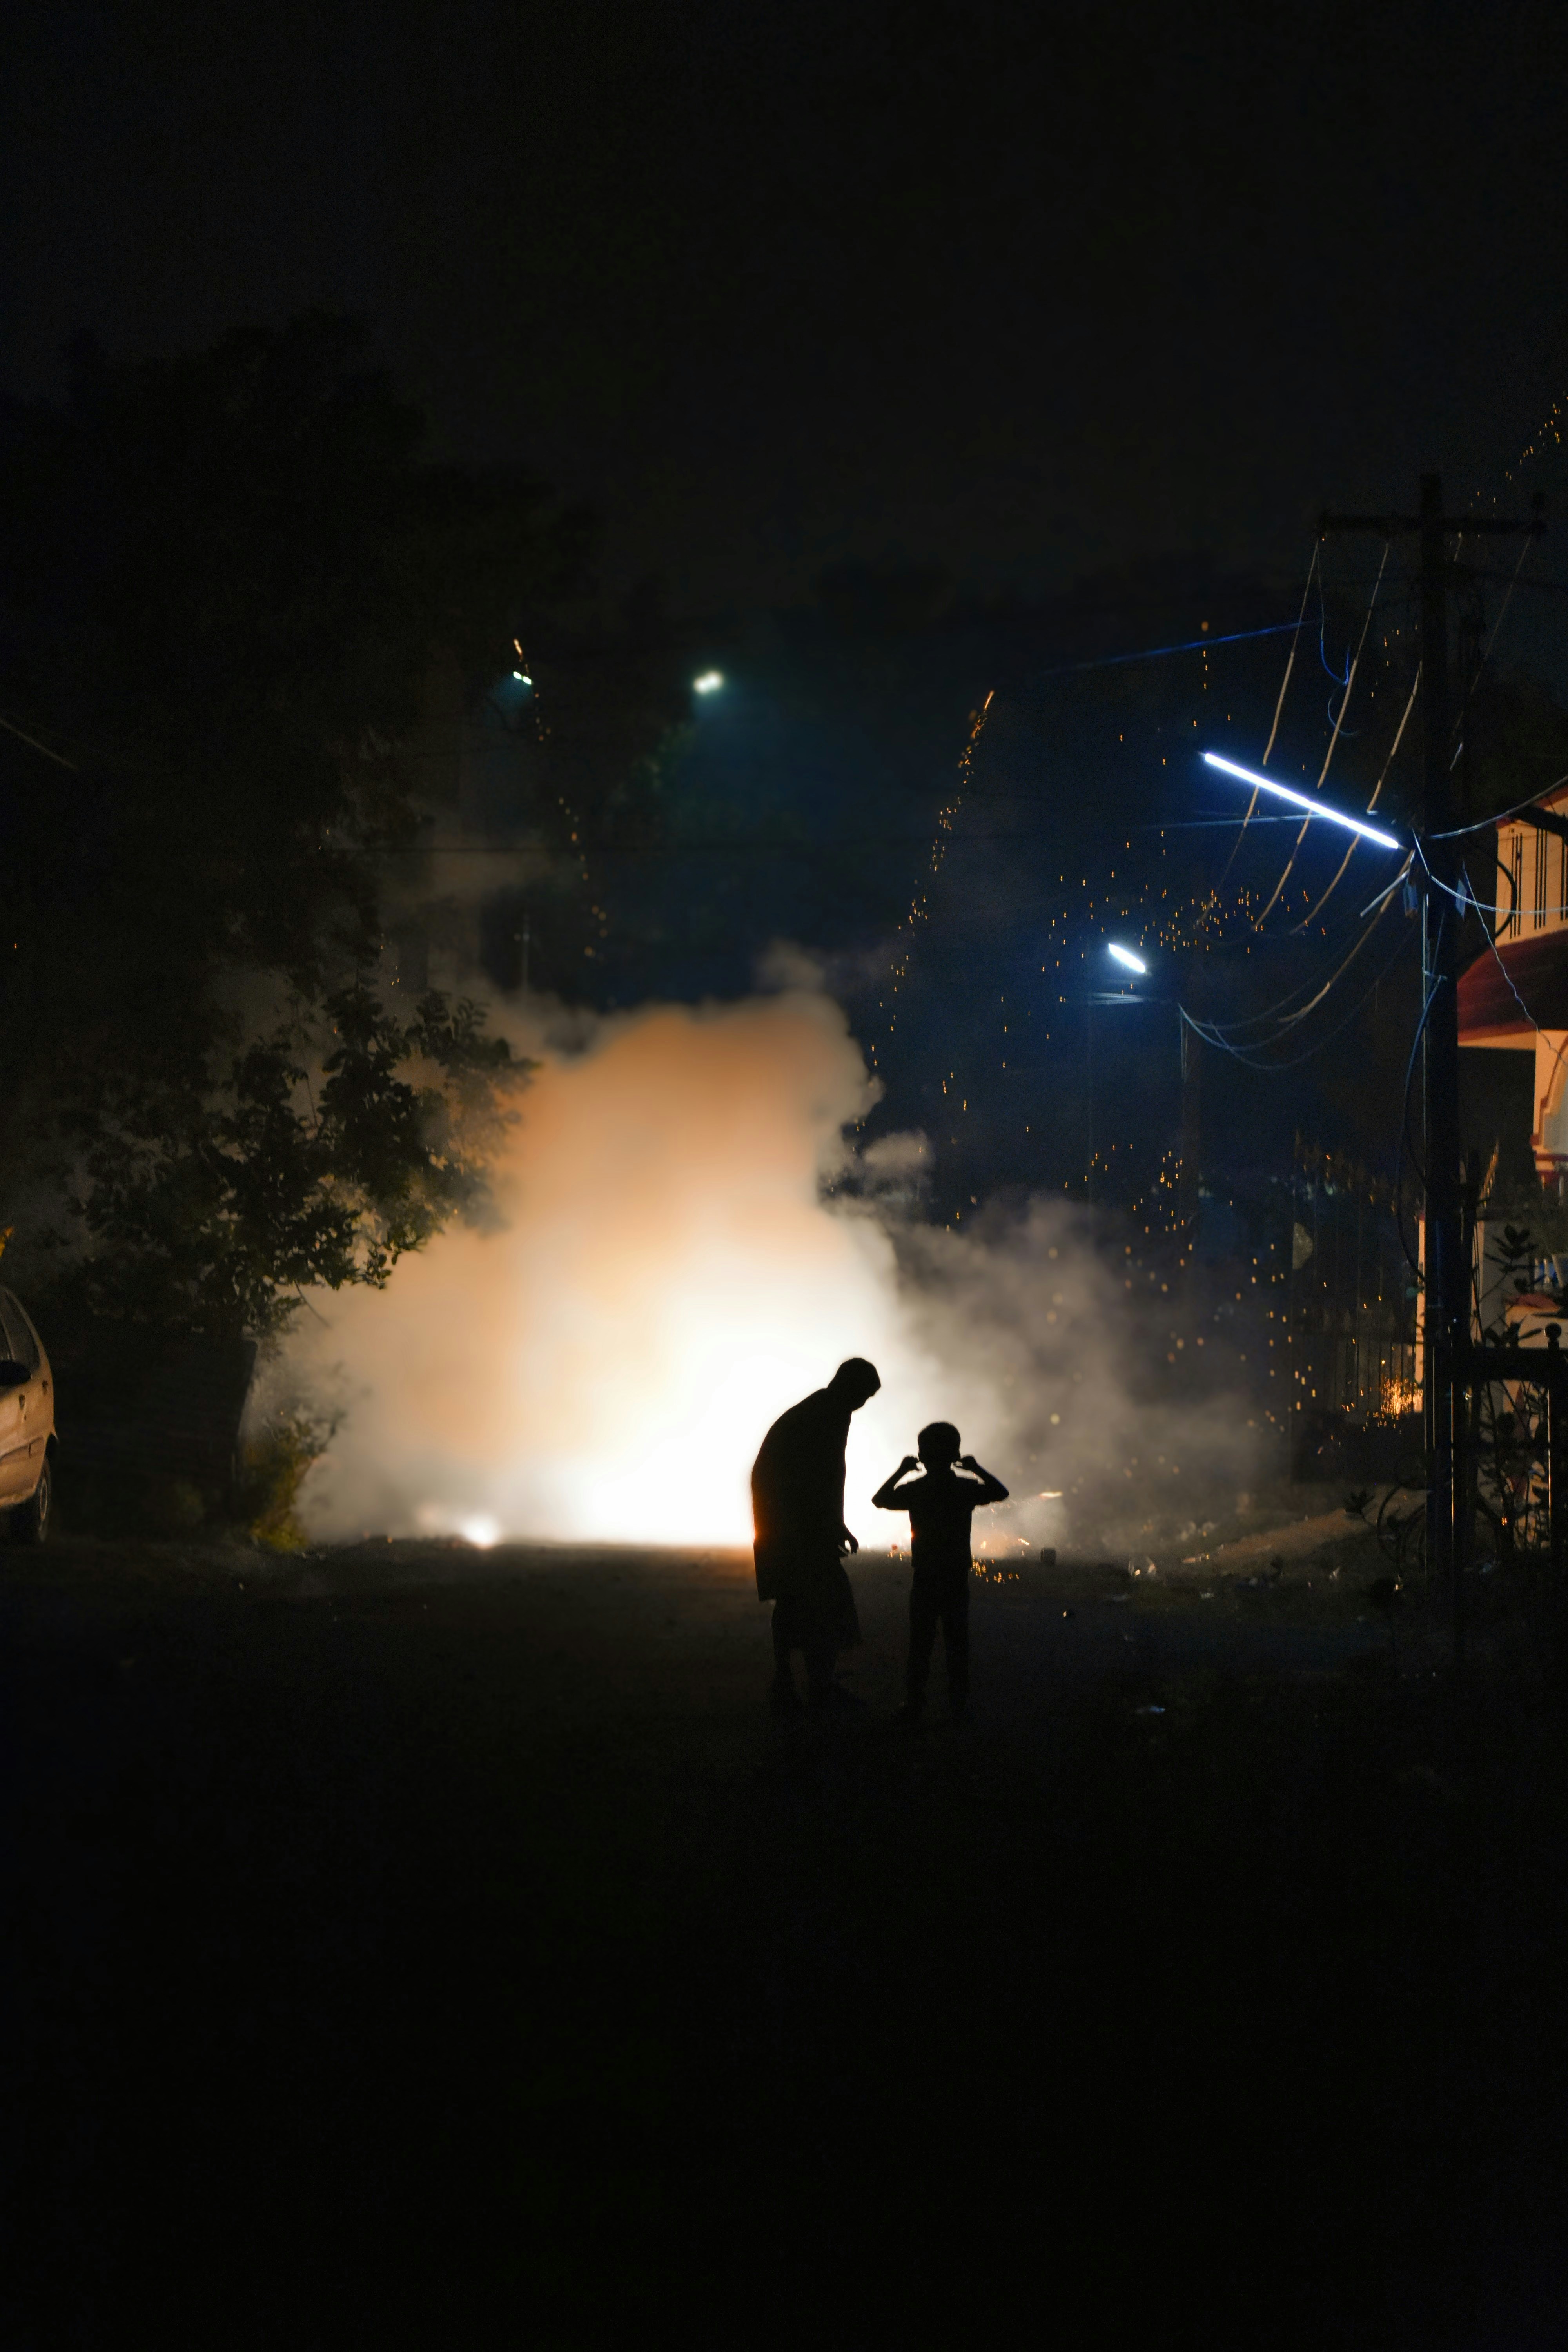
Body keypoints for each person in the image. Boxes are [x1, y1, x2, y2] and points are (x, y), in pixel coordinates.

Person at [751, 1358, 881, 1712]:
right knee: (823, 1600)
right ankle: (818, 1686)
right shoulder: (831, 1412)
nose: (862, 1404)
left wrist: (833, 1523)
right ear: (849, 1387)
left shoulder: (822, 1407)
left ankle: (790, 1681)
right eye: (864, 1396)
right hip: (792, 1516)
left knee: (793, 1598)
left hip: (779, 1514)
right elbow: (828, 1473)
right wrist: (831, 1523)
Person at [873, 1423, 1008, 1722]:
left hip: (925, 1575)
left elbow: (880, 1500)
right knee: (957, 1642)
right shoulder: (965, 1487)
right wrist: (975, 1468)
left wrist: (902, 1471)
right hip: (955, 1575)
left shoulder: (917, 1489)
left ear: (922, 1454)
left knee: (920, 1643)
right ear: (956, 1454)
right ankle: (959, 1705)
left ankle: (914, 1703)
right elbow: (1001, 1492)